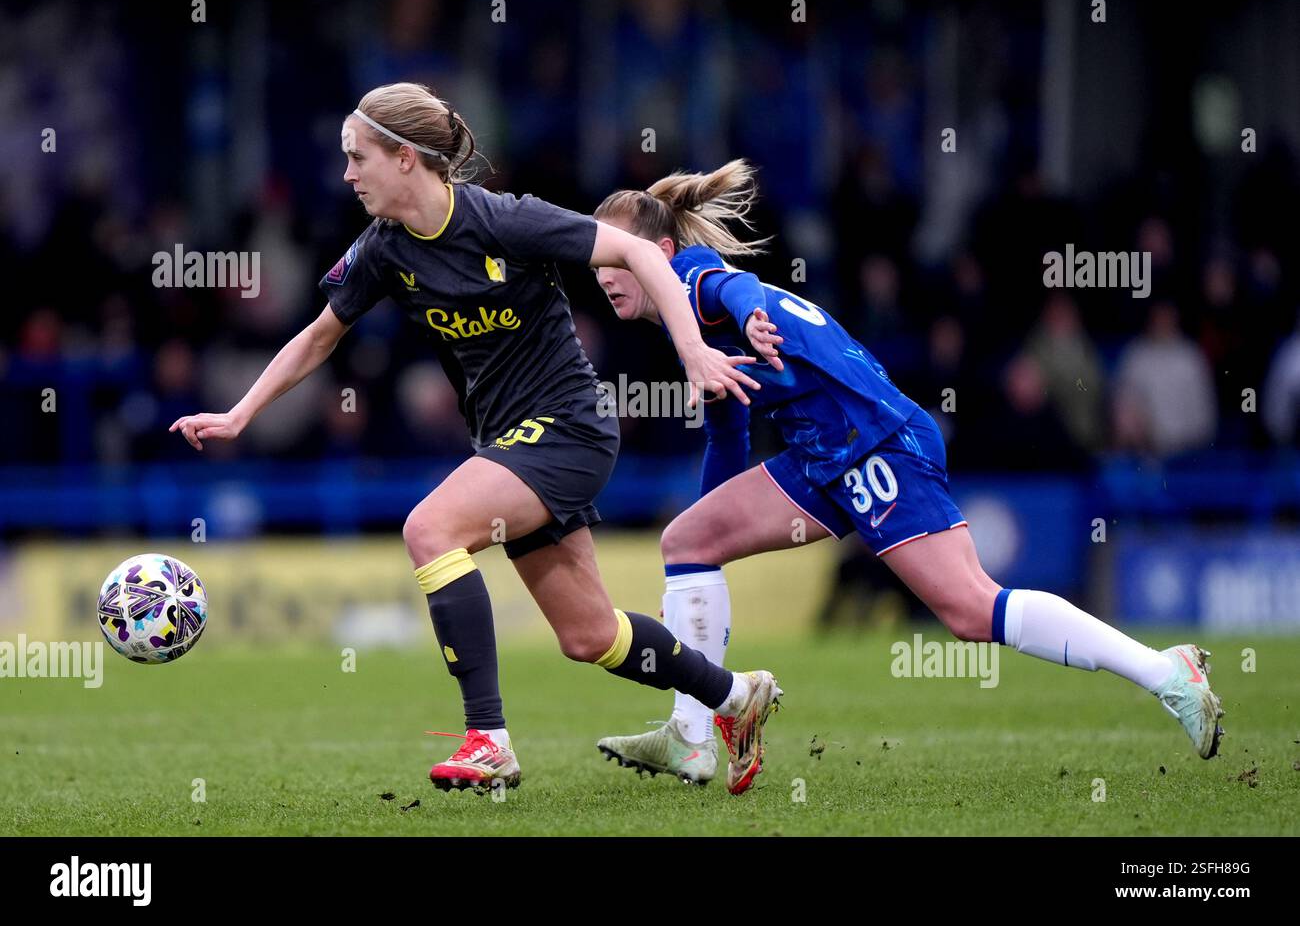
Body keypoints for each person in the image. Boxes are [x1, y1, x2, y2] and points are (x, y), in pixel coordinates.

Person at [169, 84, 781, 795]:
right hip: (512, 441)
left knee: (430, 529)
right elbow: (317, 337)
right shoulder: (384, 250)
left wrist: (694, 352)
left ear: (405, 158)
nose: (347, 174)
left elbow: (642, 258)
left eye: (357, 156)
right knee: (590, 637)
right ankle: (737, 696)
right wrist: (240, 413)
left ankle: (488, 739)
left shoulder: (505, 220)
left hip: (567, 427)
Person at [589, 159, 1224, 785]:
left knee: (972, 611)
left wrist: (753, 315)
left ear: (661, 252)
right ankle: (692, 738)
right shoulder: (689, 334)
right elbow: (729, 435)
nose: (607, 276)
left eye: (619, 259)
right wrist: (709, 536)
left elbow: (732, 287)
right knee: (688, 540)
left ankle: (1166, 674)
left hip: (876, 445)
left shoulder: (693, 279)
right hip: (825, 454)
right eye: (600, 266)